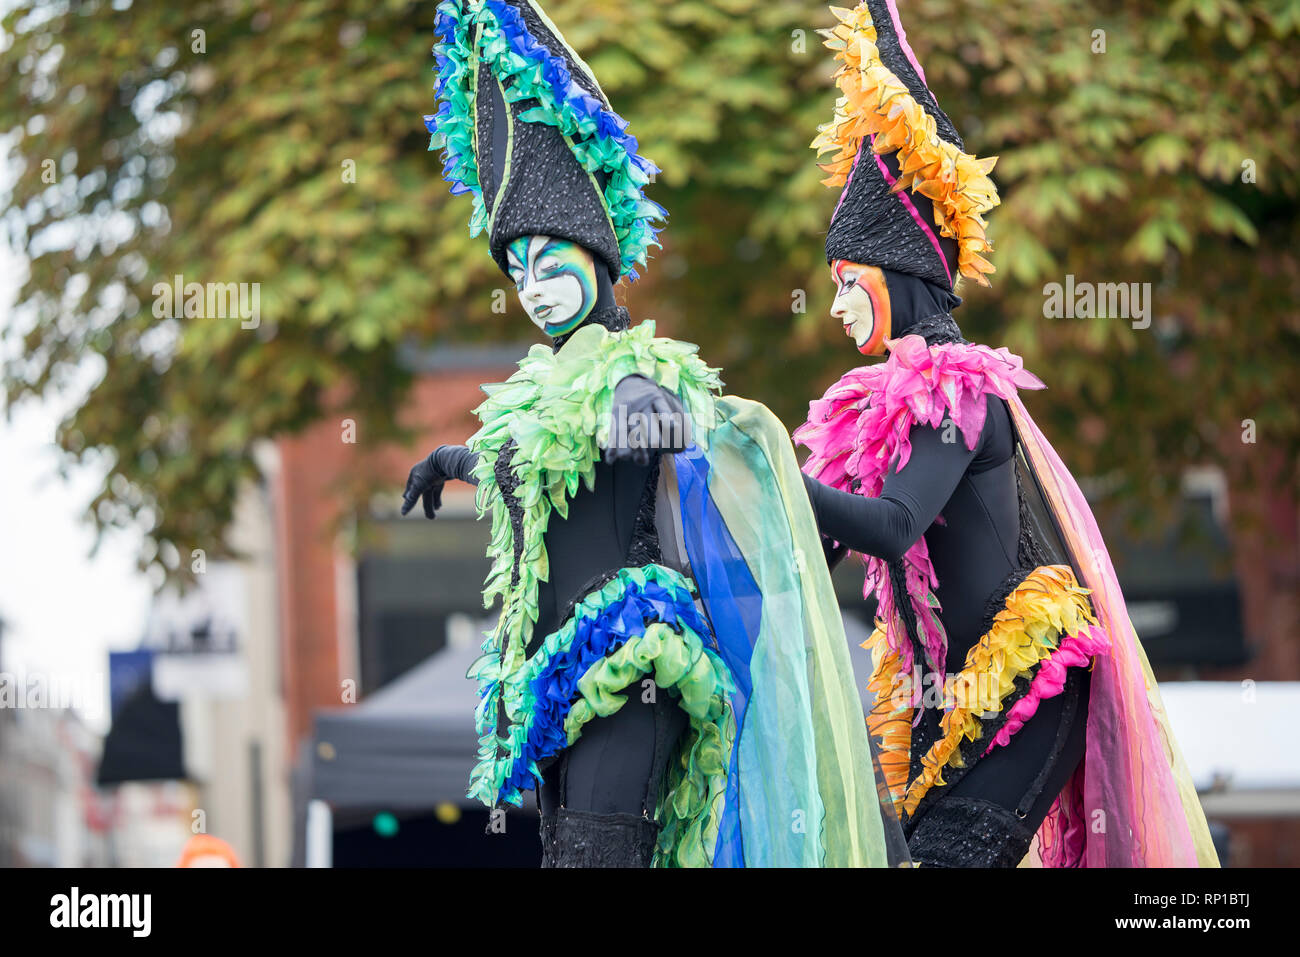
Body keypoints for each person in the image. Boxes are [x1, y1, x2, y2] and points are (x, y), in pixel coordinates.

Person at [403, 0, 901, 868]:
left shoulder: (638, 369)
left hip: (635, 656)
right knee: (571, 854)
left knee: (600, 853)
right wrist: (446, 461)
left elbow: (681, 426)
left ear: (597, 256)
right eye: (516, 269)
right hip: (549, 675)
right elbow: (522, 458)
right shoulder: (539, 394)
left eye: (551, 258)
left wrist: (644, 417)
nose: (534, 285)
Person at [792, 0, 1219, 867]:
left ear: (905, 277)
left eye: (850, 282)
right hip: (950, 697)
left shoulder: (957, 391)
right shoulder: (877, 411)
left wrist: (775, 469)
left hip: (1032, 672)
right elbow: (822, 542)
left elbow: (893, 525)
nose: (836, 305)